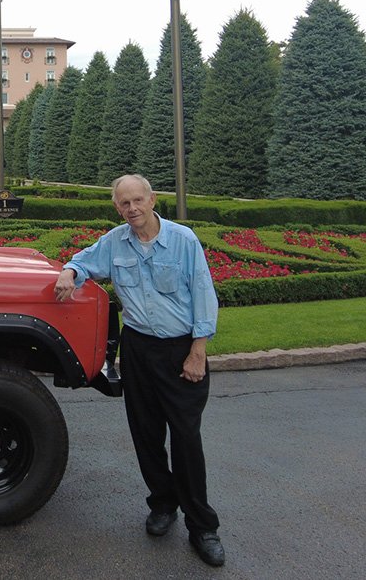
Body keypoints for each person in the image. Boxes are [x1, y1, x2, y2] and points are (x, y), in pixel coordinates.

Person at [54, 174, 225, 567]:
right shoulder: (115, 241)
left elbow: (203, 293)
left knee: (185, 439)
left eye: (137, 201)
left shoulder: (183, 240)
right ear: (117, 207)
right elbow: (83, 262)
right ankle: (163, 504)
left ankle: (203, 526)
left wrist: (198, 351)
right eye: (123, 203)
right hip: (138, 349)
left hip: (181, 350)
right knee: (146, 435)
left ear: (152, 200)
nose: (131, 208)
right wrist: (70, 273)